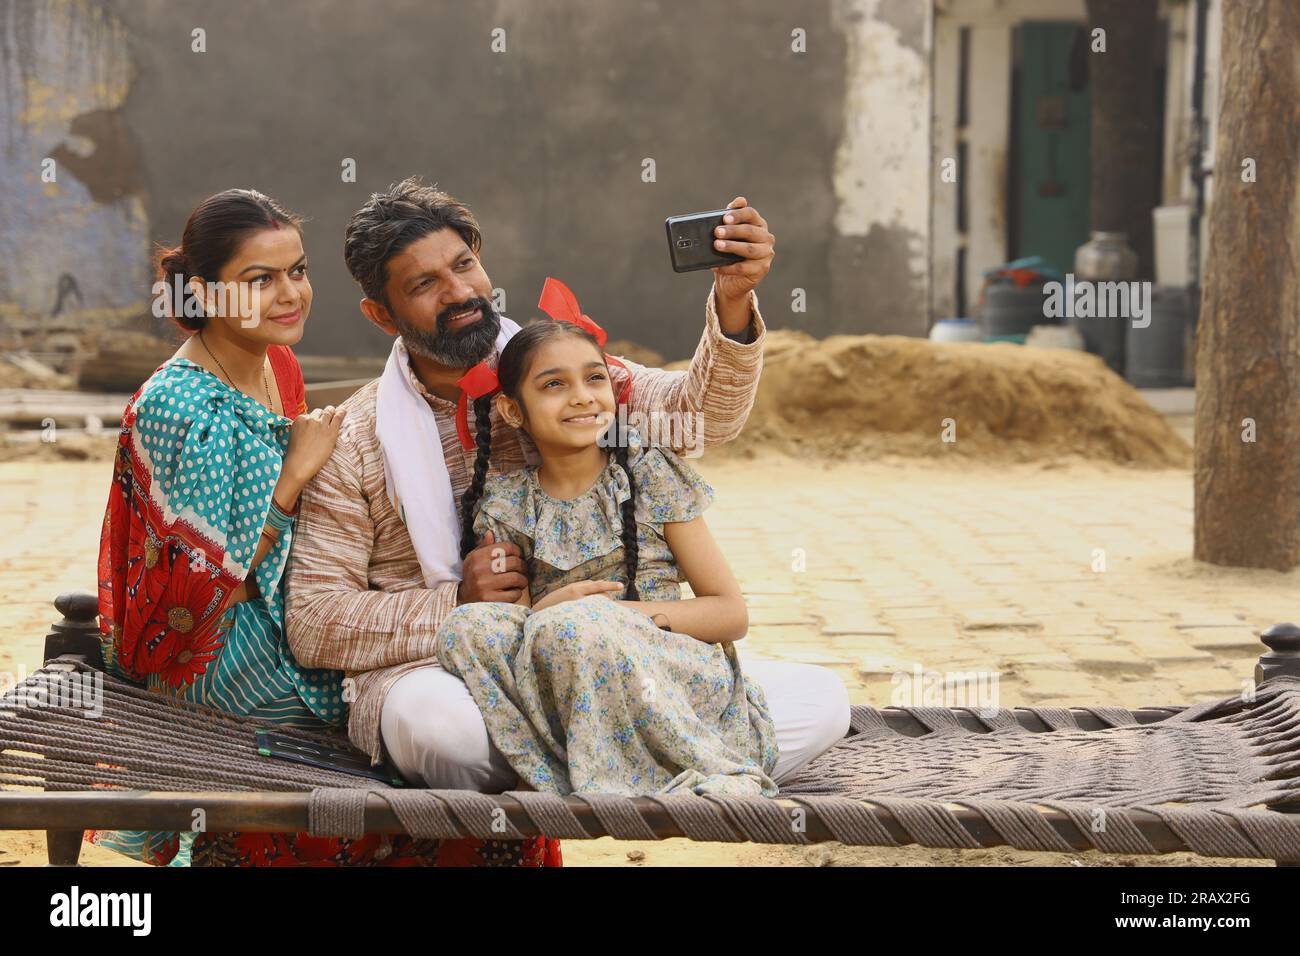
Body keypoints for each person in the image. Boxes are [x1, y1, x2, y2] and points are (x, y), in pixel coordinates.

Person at [285, 177, 848, 803]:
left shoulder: (555, 370)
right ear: (381, 313)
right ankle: (659, 755)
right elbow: (314, 621)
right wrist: (465, 604)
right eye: (424, 284)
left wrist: (735, 301)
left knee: (824, 701)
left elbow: (703, 416)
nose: (460, 292)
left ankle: (595, 758)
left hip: (617, 656)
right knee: (439, 733)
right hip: (463, 673)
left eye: (465, 265)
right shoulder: (357, 440)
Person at [93, 188, 550, 867]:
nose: (290, 295)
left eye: (297, 272)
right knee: (402, 756)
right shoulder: (177, 407)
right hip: (221, 654)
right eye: (260, 280)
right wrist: (292, 480)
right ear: (206, 293)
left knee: (447, 714)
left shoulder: (275, 364)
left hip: (291, 620)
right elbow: (206, 590)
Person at [436, 286, 779, 795]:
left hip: (667, 670)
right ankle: (558, 771)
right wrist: (554, 609)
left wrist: (613, 619)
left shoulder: (647, 472)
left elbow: (731, 613)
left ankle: (684, 772)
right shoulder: (505, 503)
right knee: (468, 626)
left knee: (575, 625)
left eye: (594, 378)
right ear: (512, 411)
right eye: (554, 385)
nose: (581, 396)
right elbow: (521, 627)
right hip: (567, 672)